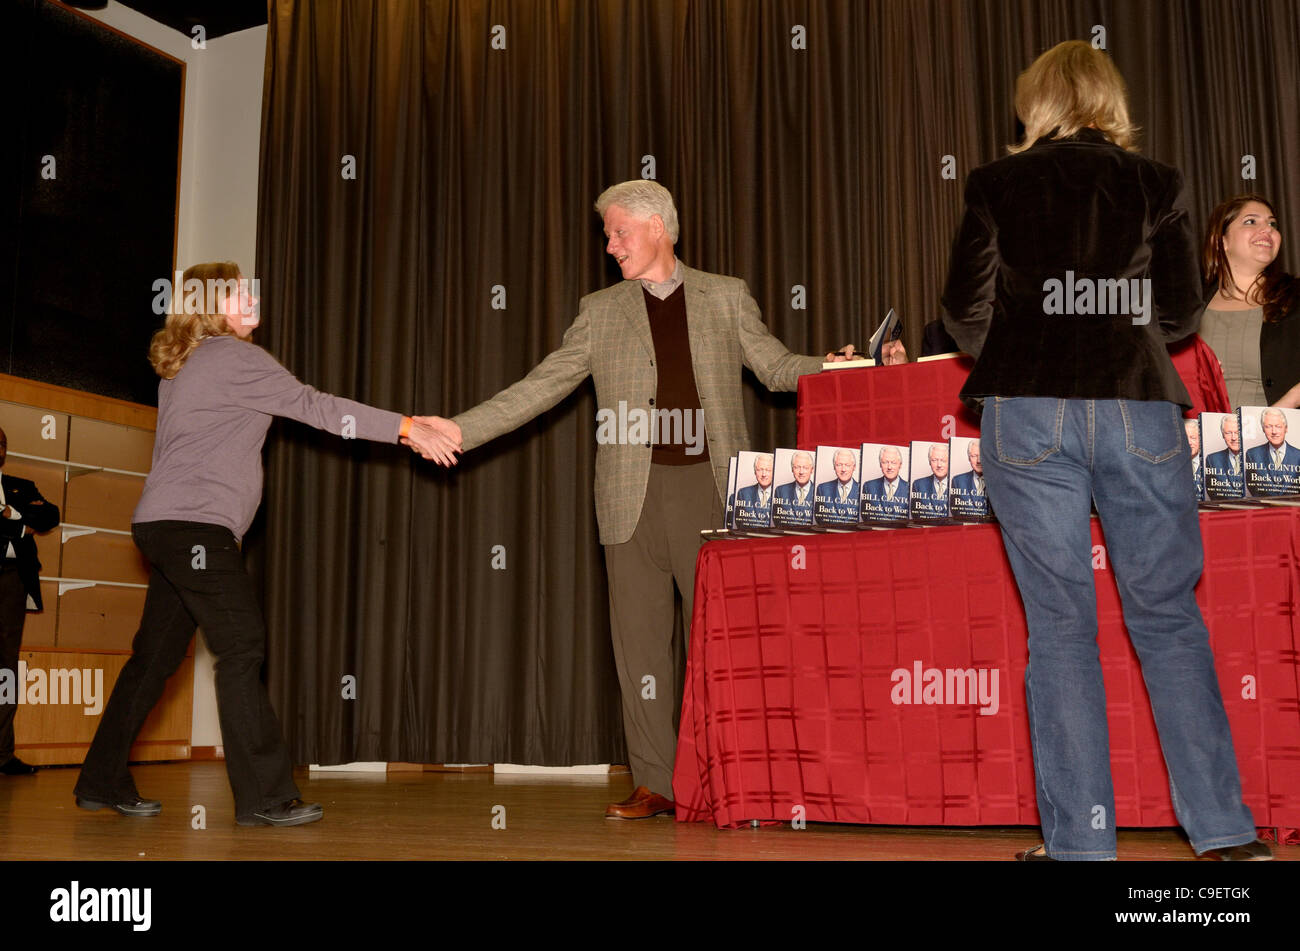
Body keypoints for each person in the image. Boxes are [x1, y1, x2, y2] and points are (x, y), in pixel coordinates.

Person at [413, 181, 879, 819]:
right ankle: (657, 782)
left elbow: (774, 367)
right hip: (630, 497)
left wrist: (834, 368)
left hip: (711, 491)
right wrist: (461, 429)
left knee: (722, 647)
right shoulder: (601, 310)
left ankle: (734, 781)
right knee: (639, 648)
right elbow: (543, 384)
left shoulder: (725, 295)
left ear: (658, 227)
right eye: (608, 234)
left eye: (619, 231)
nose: (610, 245)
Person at [942, 41, 1267, 860]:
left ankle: (1083, 846)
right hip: (1135, 406)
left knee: (1059, 628)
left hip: (1028, 414)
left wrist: (1018, 351)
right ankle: (1226, 833)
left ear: (1036, 104)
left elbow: (959, 311)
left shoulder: (994, 183)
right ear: (1109, 100)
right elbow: (1184, 312)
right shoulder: (1154, 180)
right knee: (1169, 618)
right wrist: (1118, 342)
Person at [74, 261, 458, 827]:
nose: (252, 297)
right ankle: (267, 797)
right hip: (196, 530)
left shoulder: (182, 367)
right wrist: (406, 427)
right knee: (242, 646)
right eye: (237, 291)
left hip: (160, 526)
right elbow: (320, 407)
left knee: (153, 659)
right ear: (210, 304)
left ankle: (99, 780)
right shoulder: (235, 358)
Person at [1199, 194, 1300, 409]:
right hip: (1200, 437)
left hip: (1281, 436)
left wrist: (1291, 399)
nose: (1268, 229)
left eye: (1272, 223)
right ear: (1221, 241)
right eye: (1251, 221)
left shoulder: (1296, 298)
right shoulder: (1189, 307)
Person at [0, 427, 61, 776]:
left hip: (12, 579)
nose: (0, 447)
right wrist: (21, 526)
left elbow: (49, 517)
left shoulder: (21, 486)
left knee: (5, 667)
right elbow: (30, 525)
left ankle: (3, 754)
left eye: (4, 443)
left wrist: (12, 514)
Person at [1244, 407, 1300, 494]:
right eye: (1268, 426)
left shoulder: (1298, 455)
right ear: (1263, 429)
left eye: (1278, 426)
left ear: (1286, 428)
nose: (1274, 431)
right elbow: (1252, 486)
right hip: (1265, 506)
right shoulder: (1252, 454)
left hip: (1293, 507)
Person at [1204, 414, 1245, 499]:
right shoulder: (1212, 459)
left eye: (1237, 433)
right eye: (1228, 433)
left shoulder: (1253, 457)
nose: (1233, 438)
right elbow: (1212, 492)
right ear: (1223, 434)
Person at [862, 446, 909, 518]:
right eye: (885, 462)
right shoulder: (868, 487)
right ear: (880, 464)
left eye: (893, 463)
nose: (889, 467)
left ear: (900, 465)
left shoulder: (909, 488)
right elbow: (865, 516)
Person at [814, 448, 860, 520]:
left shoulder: (862, 489)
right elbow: (819, 517)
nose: (843, 469)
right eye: (839, 465)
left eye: (847, 465)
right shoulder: (822, 489)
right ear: (834, 466)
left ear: (854, 467)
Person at [1184, 419, 1204, 500]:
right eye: (1185, 438)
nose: (1189, 442)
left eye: (1193, 438)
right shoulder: (1171, 464)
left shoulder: (1210, 462)